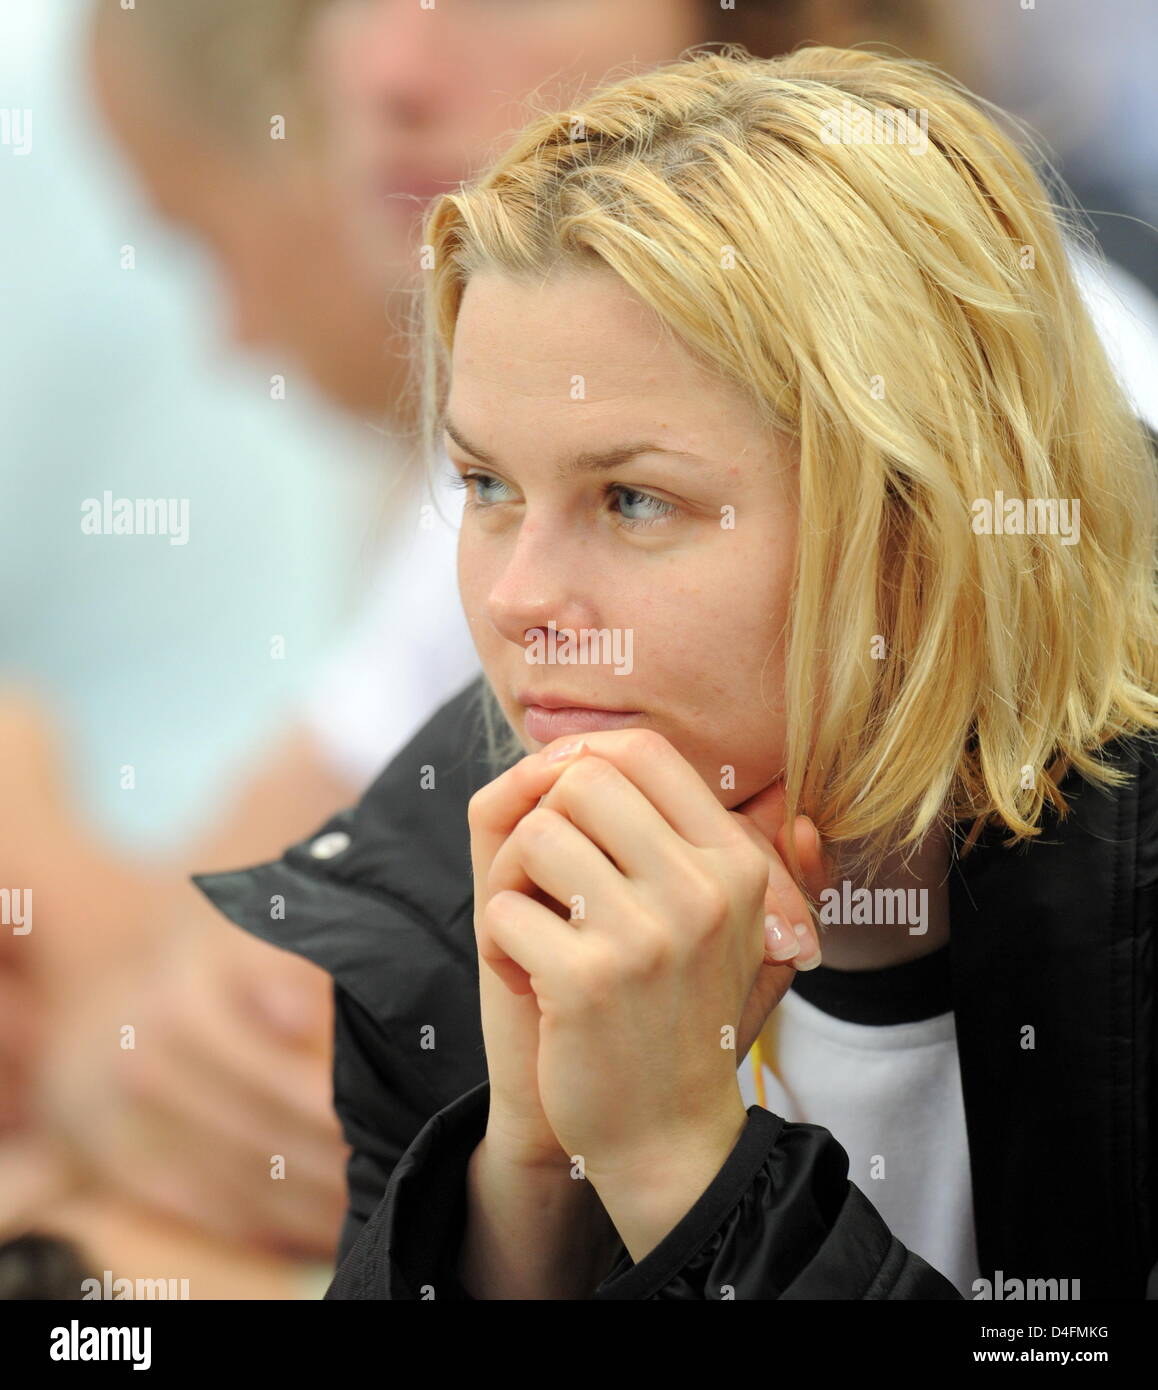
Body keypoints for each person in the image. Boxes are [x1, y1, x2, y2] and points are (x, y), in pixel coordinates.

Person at [195, 44, 1158, 1299]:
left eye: (635, 498)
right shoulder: (448, 857)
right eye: (486, 485)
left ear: (921, 528)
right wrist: (529, 1176)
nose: (518, 598)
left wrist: (683, 1165)